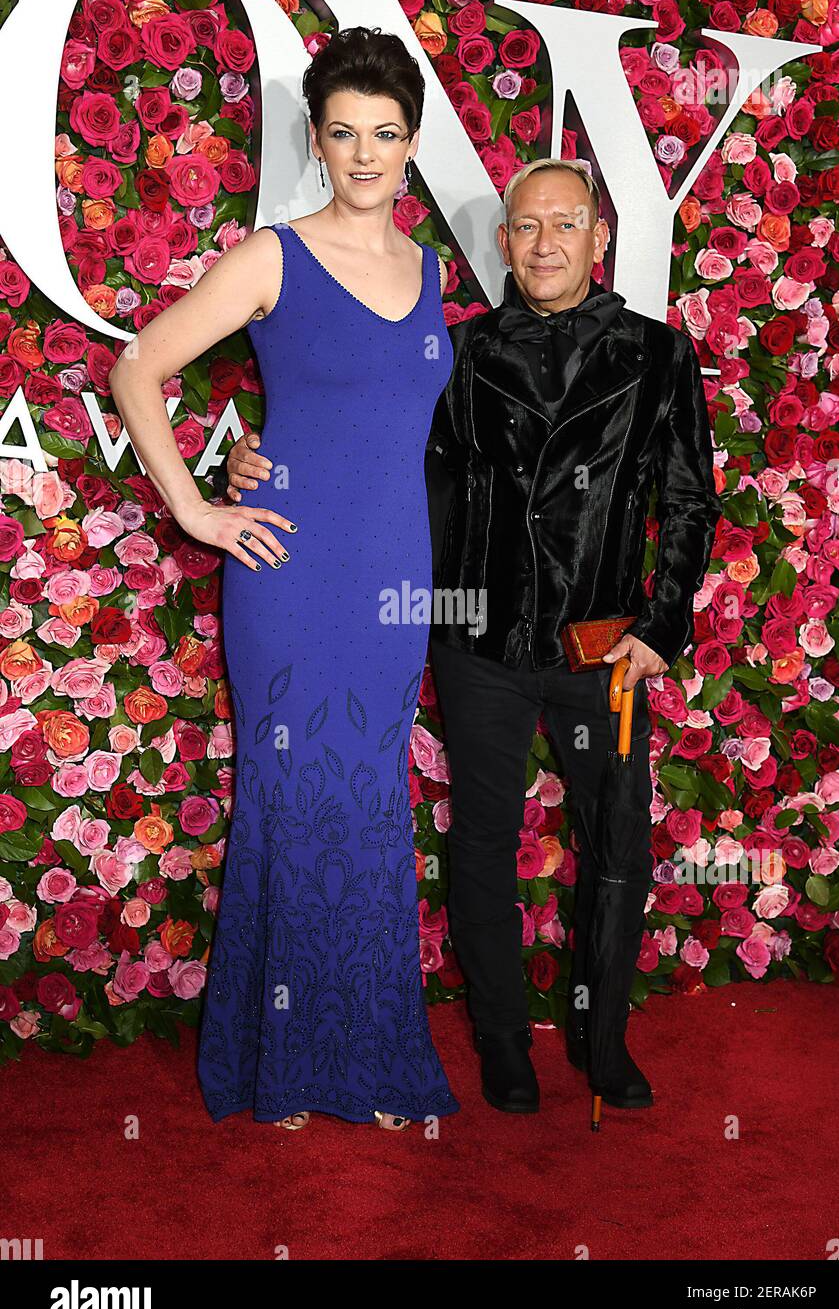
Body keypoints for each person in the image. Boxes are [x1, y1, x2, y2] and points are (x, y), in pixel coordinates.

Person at [222, 157, 722, 1119]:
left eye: (565, 225)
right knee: (484, 841)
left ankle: (603, 1040)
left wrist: (661, 626)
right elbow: (370, 449)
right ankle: (502, 1046)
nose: (545, 245)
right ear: (502, 242)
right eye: (526, 228)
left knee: (615, 843)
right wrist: (259, 457)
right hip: (474, 637)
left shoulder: (660, 356)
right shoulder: (457, 354)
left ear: (598, 236)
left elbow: (692, 500)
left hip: (604, 640)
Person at [108, 26, 459, 1134]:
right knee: (295, 801)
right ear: (315, 138)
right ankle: (284, 1063)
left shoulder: (435, 273)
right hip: (293, 574)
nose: (364, 155)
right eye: (344, 132)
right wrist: (198, 503)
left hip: (395, 577)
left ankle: (368, 1052)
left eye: (385, 134)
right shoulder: (271, 255)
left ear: (410, 147)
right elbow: (137, 367)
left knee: (368, 807)